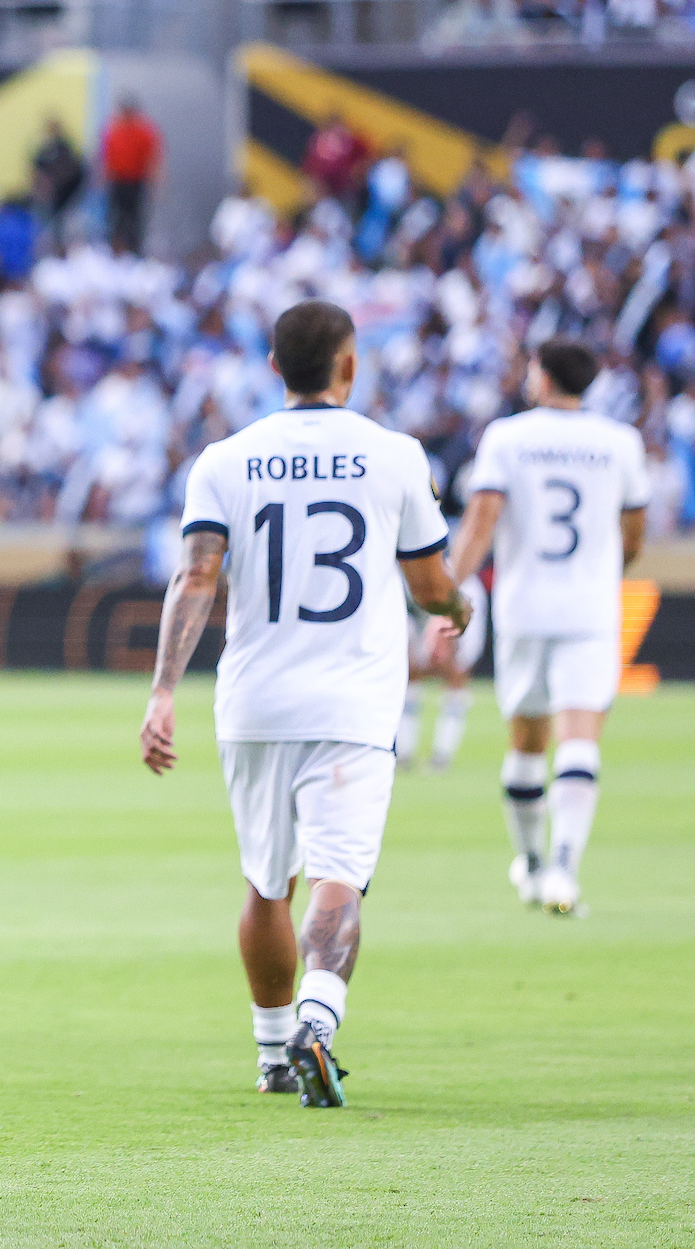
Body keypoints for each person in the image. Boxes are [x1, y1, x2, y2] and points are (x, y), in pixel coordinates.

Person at [141, 299, 470, 1109]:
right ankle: (317, 1023)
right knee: (338, 880)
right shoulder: (394, 455)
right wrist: (459, 611)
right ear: (350, 366)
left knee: (266, 885)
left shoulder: (224, 458)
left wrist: (160, 693)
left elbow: (195, 579)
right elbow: (429, 589)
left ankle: (270, 1054)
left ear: (273, 369)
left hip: (254, 702)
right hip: (353, 705)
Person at [442, 339, 648, 916]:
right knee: (580, 738)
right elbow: (633, 536)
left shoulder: (508, 438)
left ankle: (532, 865)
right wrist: (605, 569)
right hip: (589, 609)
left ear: (542, 376)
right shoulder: (620, 443)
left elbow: (480, 525)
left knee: (527, 743)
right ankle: (564, 867)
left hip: (523, 607)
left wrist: (448, 594)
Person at [397, 570, 486, 773]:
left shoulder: (468, 586)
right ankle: (404, 751)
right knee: (409, 671)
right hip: (409, 586)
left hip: (457, 586)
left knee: (456, 672)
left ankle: (442, 754)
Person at [99, 95, 161, 254]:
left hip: (136, 180)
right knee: (115, 217)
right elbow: (106, 155)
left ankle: (134, 250)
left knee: (135, 218)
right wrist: (103, 177)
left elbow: (152, 157)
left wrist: (154, 181)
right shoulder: (114, 129)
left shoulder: (143, 130)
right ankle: (114, 249)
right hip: (117, 180)